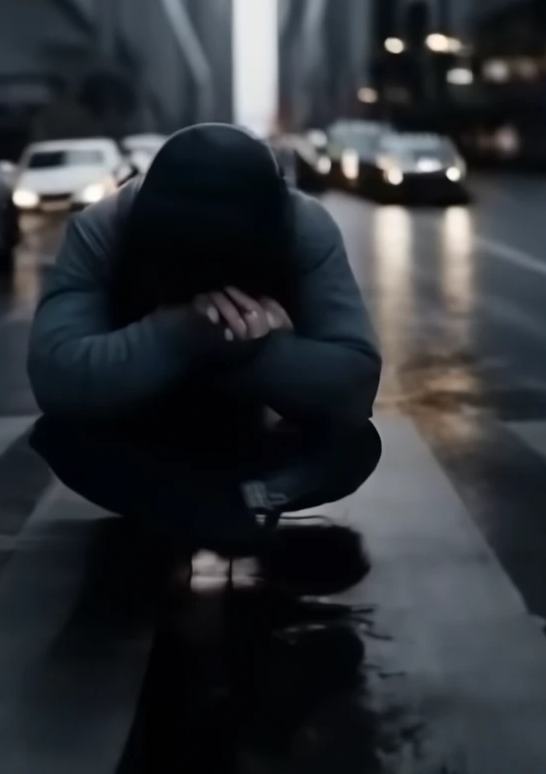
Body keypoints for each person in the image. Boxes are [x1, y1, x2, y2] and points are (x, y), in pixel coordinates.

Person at [26, 123, 382, 560]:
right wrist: (180, 335)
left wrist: (257, 351)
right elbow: (57, 376)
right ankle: (206, 502)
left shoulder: (304, 226)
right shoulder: (104, 226)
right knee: (61, 434)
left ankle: (209, 502)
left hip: (254, 437)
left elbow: (354, 385)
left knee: (355, 441)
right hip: (142, 434)